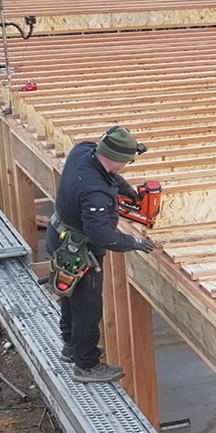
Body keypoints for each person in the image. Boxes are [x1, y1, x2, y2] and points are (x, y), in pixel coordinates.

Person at [44, 125, 154, 383]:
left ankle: (71, 346)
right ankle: (87, 365)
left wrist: (127, 191)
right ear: (118, 159)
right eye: (127, 161)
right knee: (88, 308)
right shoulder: (95, 193)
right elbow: (102, 236)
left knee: (68, 294)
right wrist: (134, 242)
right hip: (80, 251)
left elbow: (109, 175)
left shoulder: (83, 150)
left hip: (59, 236)